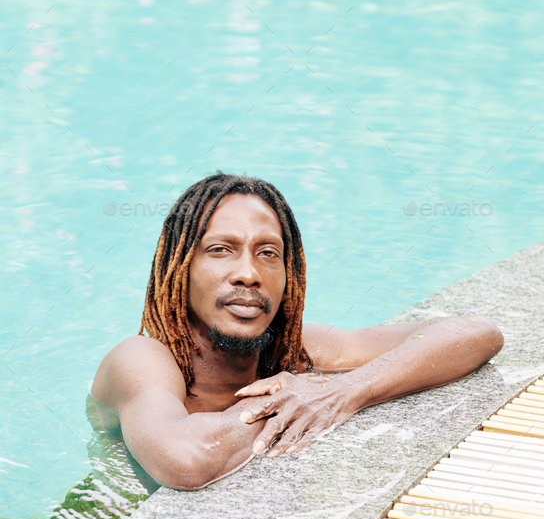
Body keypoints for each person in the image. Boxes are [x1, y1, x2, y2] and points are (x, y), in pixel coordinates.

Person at [91, 173, 504, 490]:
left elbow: (476, 333)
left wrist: (341, 391)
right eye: (221, 250)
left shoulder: (297, 351)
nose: (249, 274)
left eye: (268, 253)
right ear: (180, 269)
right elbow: (185, 459)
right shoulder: (140, 359)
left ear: (291, 275)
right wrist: (283, 402)